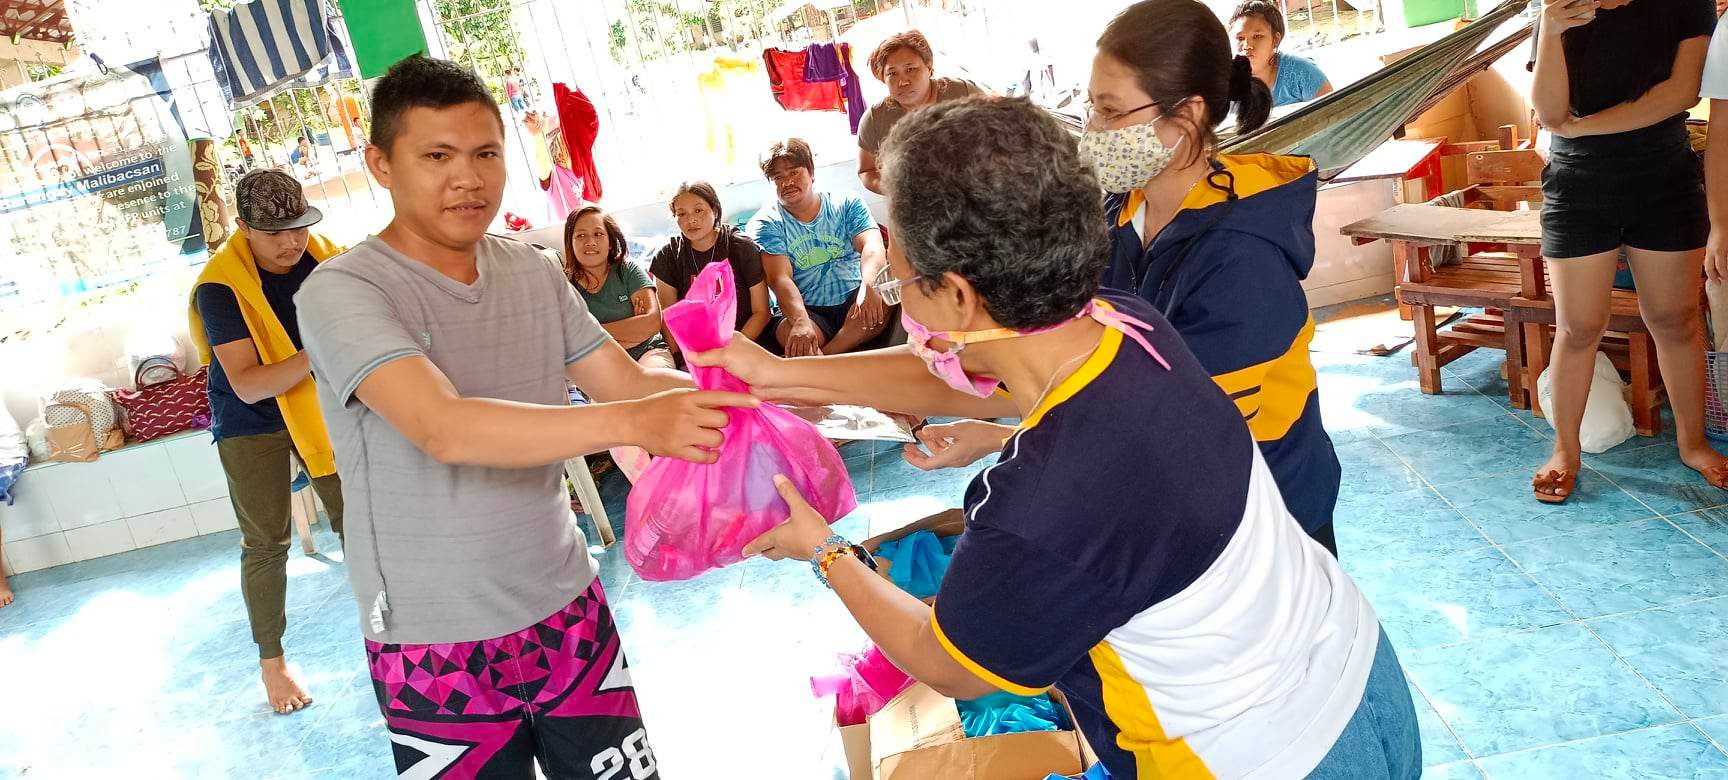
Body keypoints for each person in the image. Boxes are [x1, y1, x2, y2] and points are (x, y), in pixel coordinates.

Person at [693, 95, 1420, 779]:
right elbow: (963, 377)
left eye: (901, 282)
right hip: (1358, 671)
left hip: (1270, 757)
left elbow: (946, 661)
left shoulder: (1041, 502)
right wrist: (778, 376)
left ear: (959, 296)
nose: (901, 301)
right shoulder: (1120, 320)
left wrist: (824, 549)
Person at [296, 55, 752, 777]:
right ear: (380, 164)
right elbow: (445, 428)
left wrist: (748, 398)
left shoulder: (532, 271)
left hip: (565, 603)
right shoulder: (343, 290)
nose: (467, 178)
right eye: (437, 156)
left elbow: (626, 383)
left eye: (486, 154)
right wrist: (638, 424)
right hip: (433, 639)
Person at [1086, 0, 1341, 555]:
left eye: (1110, 110)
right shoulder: (1119, 212)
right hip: (1179, 504)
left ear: (1187, 114)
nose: (1092, 129)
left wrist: (1016, 436)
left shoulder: (1242, 251)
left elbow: (1195, 424)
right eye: (1092, 107)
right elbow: (1080, 346)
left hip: (1268, 516)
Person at [1532, 0, 1724, 501]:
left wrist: (1580, 127)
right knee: (1578, 328)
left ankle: (1693, 444)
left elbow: (1680, 92)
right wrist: (1549, 30)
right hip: (1576, 187)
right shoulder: (1559, 7)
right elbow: (1549, 113)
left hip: (1665, 180)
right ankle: (1565, 451)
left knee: (1675, 320)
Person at [186, 169, 347, 715]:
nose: (291, 242)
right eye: (275, 233)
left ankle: (402, 630)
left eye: (299, 227)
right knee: (266, 542)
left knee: (359, 520)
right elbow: (250, 383)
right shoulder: (220, 287)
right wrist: (319, 351)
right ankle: (273, 664)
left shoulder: (327, 260)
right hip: (250, 419)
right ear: (243, 227)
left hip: (319, 406)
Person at [750, 137, 890, 357]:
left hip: (855, 297)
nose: (787, 183)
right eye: (778, 178)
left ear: (811, 172)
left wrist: (869, 286)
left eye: (794, 172)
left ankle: (827, 358)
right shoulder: (766, 222)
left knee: (884, 297)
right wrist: (800, 322)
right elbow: (779, 278)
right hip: (805, 309)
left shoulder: (847, 202)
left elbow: (872, 245)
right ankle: (824, 358)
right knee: (795, 339)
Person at [856, 30, 986, 194]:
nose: (903, 81)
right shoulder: (875, 119)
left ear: (929, 68)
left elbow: (1003, 134)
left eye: (910, 69)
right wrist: (899, 190)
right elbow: (866, 171)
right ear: (883, 78)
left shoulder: (964, 94)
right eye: (892, 73)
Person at [649, 181, 772, 353]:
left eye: (699, 210)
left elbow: (762, 312)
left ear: (715, 210)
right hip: (693, 350)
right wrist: (687, 357)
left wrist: (730, 352)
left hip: (744, 342)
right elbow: (670, 321)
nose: (691, 220)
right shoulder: (667, 256)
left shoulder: (741, 247)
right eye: (681, 214)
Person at [564, 205, 673, 369]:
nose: (590, 242)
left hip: (648, 351)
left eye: (598, 234)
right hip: (599, 362)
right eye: (581, 235)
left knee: (656, 379)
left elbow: (652, 322)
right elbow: (571, 341)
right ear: (570, 243)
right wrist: (634, 330)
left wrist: (591, 332)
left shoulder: (628, 270)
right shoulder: (564, 286)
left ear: (610, 241)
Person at [1231, 0, 1332, 107]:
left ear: (1275, 39)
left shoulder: (1302, 72)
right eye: (1240, 38)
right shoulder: (1227, 82)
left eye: (1257, 36)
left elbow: (1333, 111)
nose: (1247, 46)